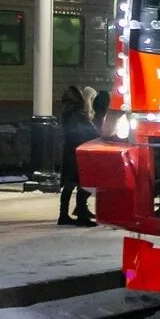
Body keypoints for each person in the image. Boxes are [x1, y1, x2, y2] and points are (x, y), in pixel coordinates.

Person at [58, 85, 98, 227]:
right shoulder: (76, 112)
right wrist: (98, 136)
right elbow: (86, 131)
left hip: (71, 151)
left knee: (70, 185)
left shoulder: (69, 110)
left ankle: (64, 215)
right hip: (78, 152)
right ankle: (81, 215)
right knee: (82, 183)